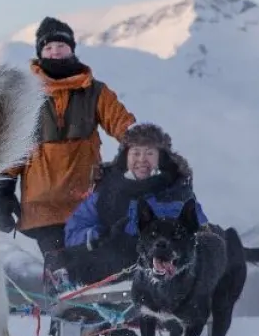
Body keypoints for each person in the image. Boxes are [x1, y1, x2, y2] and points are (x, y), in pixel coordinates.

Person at [0, 16, 136, 256]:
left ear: (72, 49)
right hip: (42, 206)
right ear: (40, 54)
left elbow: (122, 123)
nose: (55, 52)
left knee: (90, 261)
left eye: (61, 46)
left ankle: (94, 292)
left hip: (86, 201)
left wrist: (142, 147)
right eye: (48, 47)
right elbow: (14, 146)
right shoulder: (26, 98)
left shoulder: (95, 92)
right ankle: (62, 291)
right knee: (59, 267)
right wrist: (3, 191)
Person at [50, 122, 209, 289]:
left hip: (166, 269)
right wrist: (97, 236)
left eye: (149, 153)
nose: (142, 159)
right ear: (126, 156)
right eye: (136, 153)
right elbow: (75, 228)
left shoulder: (177, 191)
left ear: (161, 157)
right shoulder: (107, 193)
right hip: (110, 268)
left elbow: (201, 233)